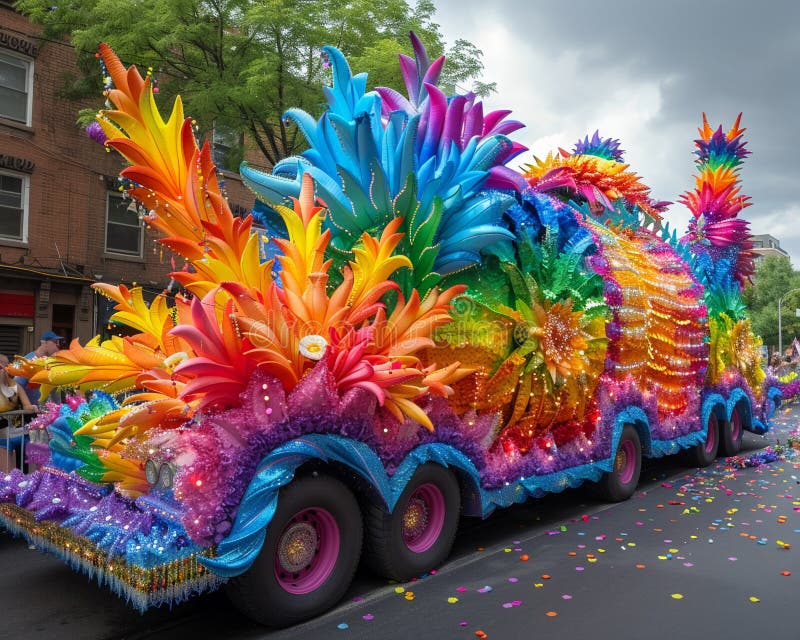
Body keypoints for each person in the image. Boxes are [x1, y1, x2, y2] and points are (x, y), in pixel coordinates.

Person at [0, 353, 38, 472]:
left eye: (7, 365)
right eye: (2, 366)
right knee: (8, 474)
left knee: (32, 471)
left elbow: (27, 406)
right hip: (3, 436)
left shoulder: (16, 385)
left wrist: (32, 408)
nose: (5, 369)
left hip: (22, 433)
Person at [14, 330, 63, 405]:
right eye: (56, 343)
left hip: (53, 409)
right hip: (35, 410)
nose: (58, 347)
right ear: (45, 343)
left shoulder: (51, 361)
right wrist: (27, 405)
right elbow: (15, 384)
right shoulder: (25, 360)